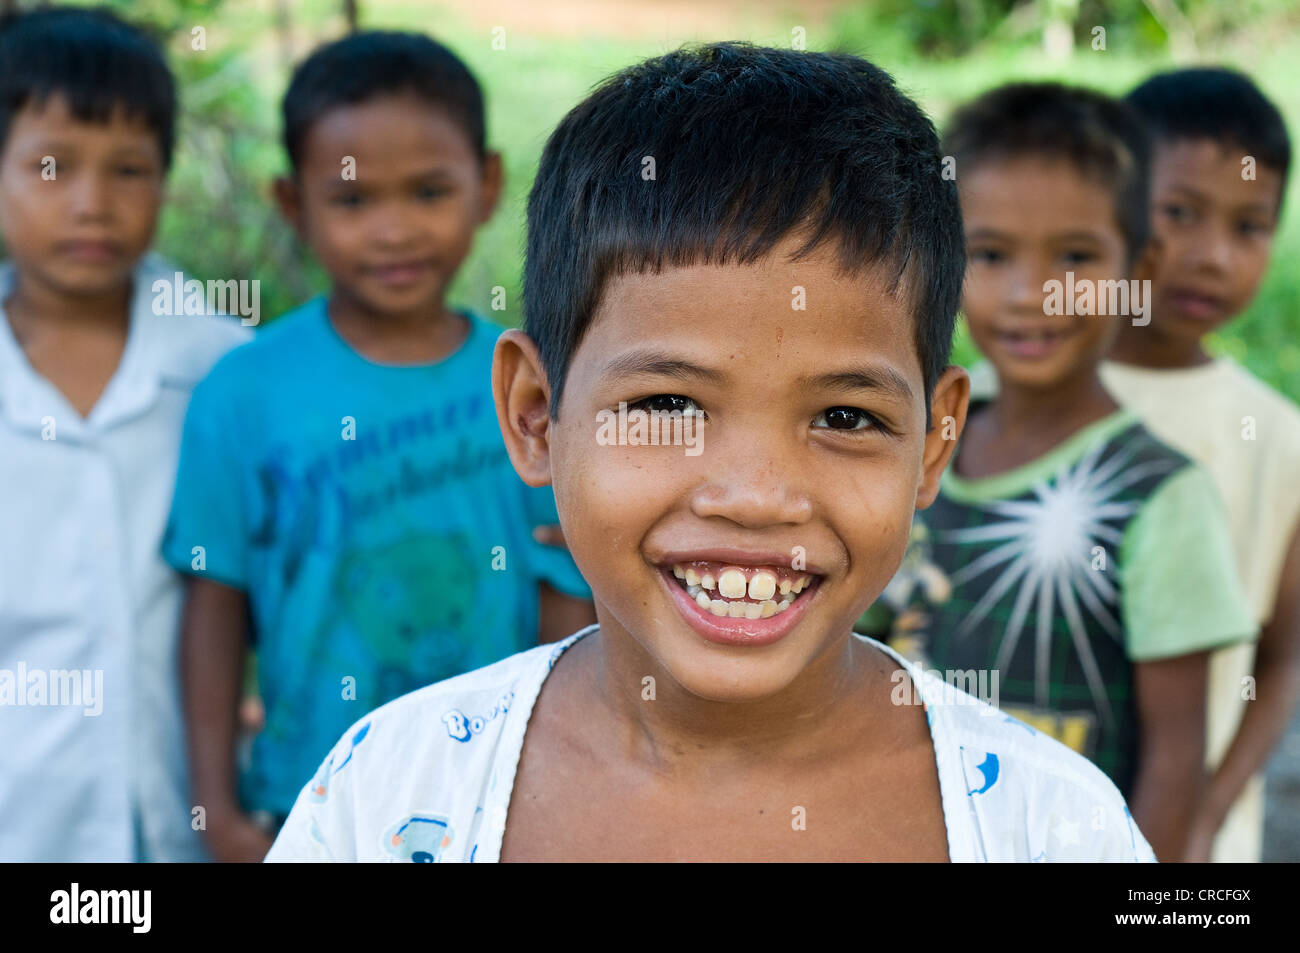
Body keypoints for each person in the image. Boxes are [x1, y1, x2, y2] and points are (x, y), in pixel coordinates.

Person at [266, 44, 1155, 863]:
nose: (758, 496)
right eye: (665, 404)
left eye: (845, 417)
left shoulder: (1051, 826)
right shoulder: (390, 794)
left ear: (933, 441)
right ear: (537, 415)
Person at [163, 30, 593, 863]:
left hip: (497, 804)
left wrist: (558, 790)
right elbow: (213, 606)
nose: (394, 230)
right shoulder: (243, 392)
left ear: (487, 184)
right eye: (355, 201)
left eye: (428, 191)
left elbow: (564, 594)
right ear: (293, 206)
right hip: (307, 807)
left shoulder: (529, 383)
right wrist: (215, 807)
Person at [871, 83, 1257, 861]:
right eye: (990, 254)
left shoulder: (1160, 495)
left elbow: (1176, 759)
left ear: (1138, 265)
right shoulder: (904, 443)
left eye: (1075, 257)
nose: (1030, 295)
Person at [0, 7, 249, 861]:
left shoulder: (227, 369)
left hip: (189, 819)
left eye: (130, 169)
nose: (91, 203)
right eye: (50, 166)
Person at [1104, 68, 1300, 862]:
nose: (1213, 256)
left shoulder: (1280, 438)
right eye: (1179, 213)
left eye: (1250, 227)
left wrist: (1208, 813)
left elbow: (1285, 655)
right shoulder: (1003, 406)